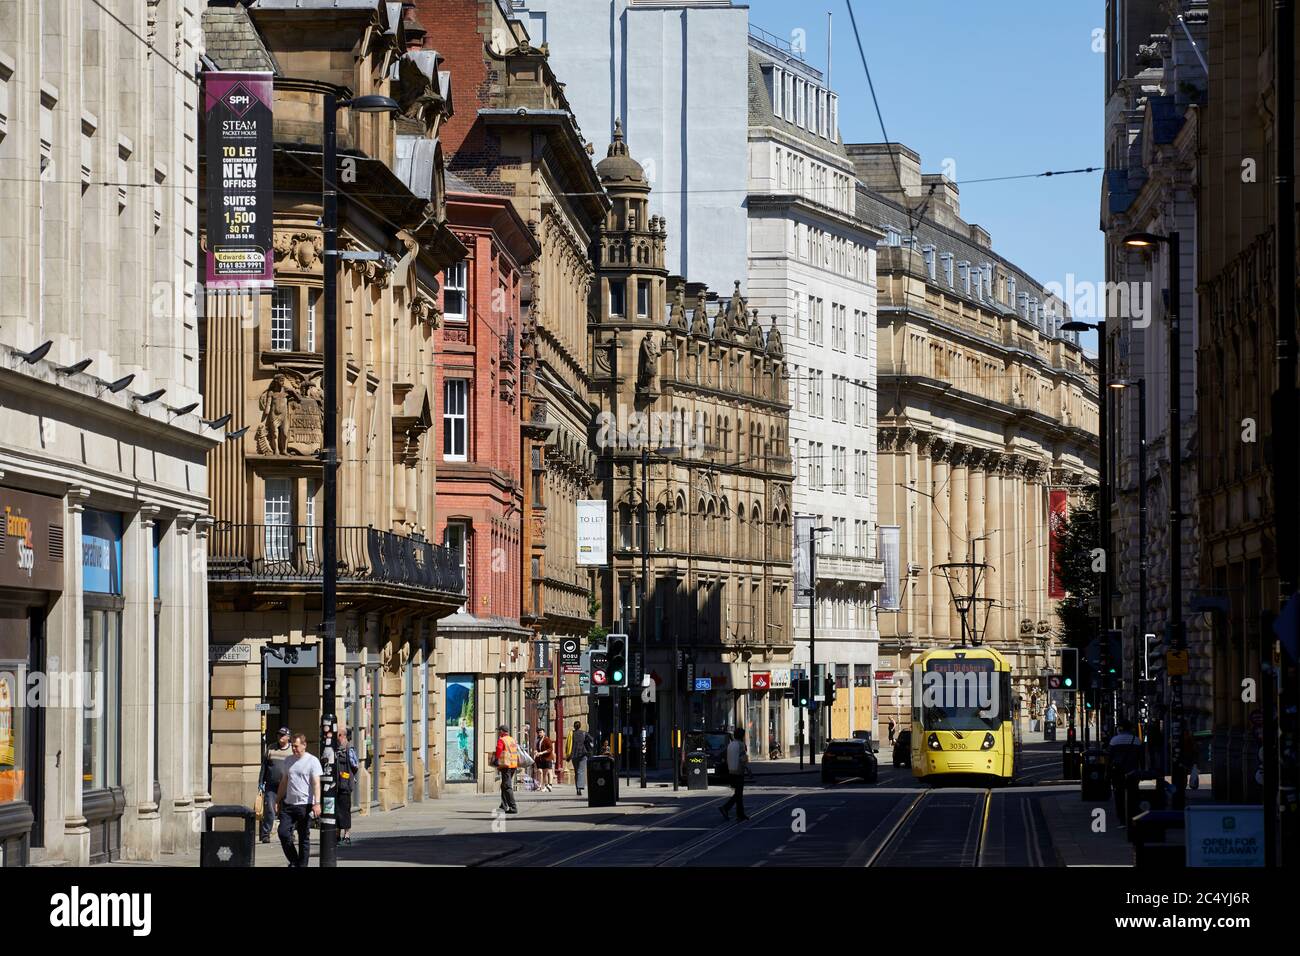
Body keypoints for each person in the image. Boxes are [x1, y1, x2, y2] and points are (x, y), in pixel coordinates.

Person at [275, 733, 322, 867]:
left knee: (303, 838)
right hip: (289, 804)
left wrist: (316, 803)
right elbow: (284, 782)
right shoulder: (288, 760)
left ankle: (302, 865)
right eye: (292, 747)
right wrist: (277, 800)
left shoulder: (312, 761)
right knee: (283, 833)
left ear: (304, 745)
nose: (294, 749)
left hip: (305, 805)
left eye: (296, 746)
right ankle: (294, 860)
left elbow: (316, 783)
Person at [258, 727, 293, 844]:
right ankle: (265, 834)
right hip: (271, 786)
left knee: (288, 811)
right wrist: (261, 783)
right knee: (269, 810)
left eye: (283, 735)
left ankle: (290, 833)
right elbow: (264, 767)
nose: (280, 737)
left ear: (288, 737)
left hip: (288, 786)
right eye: (279, 735)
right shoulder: (271, 748)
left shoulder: (292, 750)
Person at [1107, 721, 1144, 826]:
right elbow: (1141, 758)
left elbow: (1109, 758)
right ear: (1131, 729)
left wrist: (1108, 773)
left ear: (1120, 729)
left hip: (1118, 772)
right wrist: (1141, 771)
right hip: (1132, 772)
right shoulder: (1136, 740)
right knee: (1133, 795)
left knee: (1119, 796)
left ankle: (1122, 819)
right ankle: (1132, 816)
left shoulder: (1114, 741)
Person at [335, 727, 360, 845]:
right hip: (335, 785)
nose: (336, 737)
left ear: (343, 736)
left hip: (345, 784)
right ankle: (337, 834)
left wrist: (347, 775)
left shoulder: (349, 749)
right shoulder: (334, 748)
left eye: (338, 735)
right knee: (335, 810)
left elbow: (355, 765)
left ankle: (347, 834)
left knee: (345, 810)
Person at [719, 727, 750, 822]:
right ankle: (727, 808)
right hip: (738, 772)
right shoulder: (741, 745)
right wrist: (747, 767)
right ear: (742, 736)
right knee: (738, 794)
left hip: (731, 772)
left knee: (738, 794)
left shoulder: (730, 744)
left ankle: (740, 814)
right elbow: (743, 759)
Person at [493, 724, 520, 814]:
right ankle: (503, 805)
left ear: (502, 731)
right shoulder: (512, 739)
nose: (498, 732)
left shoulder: (502, 740)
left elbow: (499, 750)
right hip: (513, 764)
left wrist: (496, 760)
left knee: (507, 786)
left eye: (499, 731)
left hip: (506, 765)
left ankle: (513, 807)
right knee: (504, 785)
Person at [567, 720, 592, 796]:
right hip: (583, 754)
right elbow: (591, 740)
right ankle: (580, 787)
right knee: (581, 771)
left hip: (574, 755)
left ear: (574, 726)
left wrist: (568, 755)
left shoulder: (571, 734)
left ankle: (577, 788)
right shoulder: (584, 733)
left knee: (576, 771)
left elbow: (568, 745)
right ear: (580, 726)